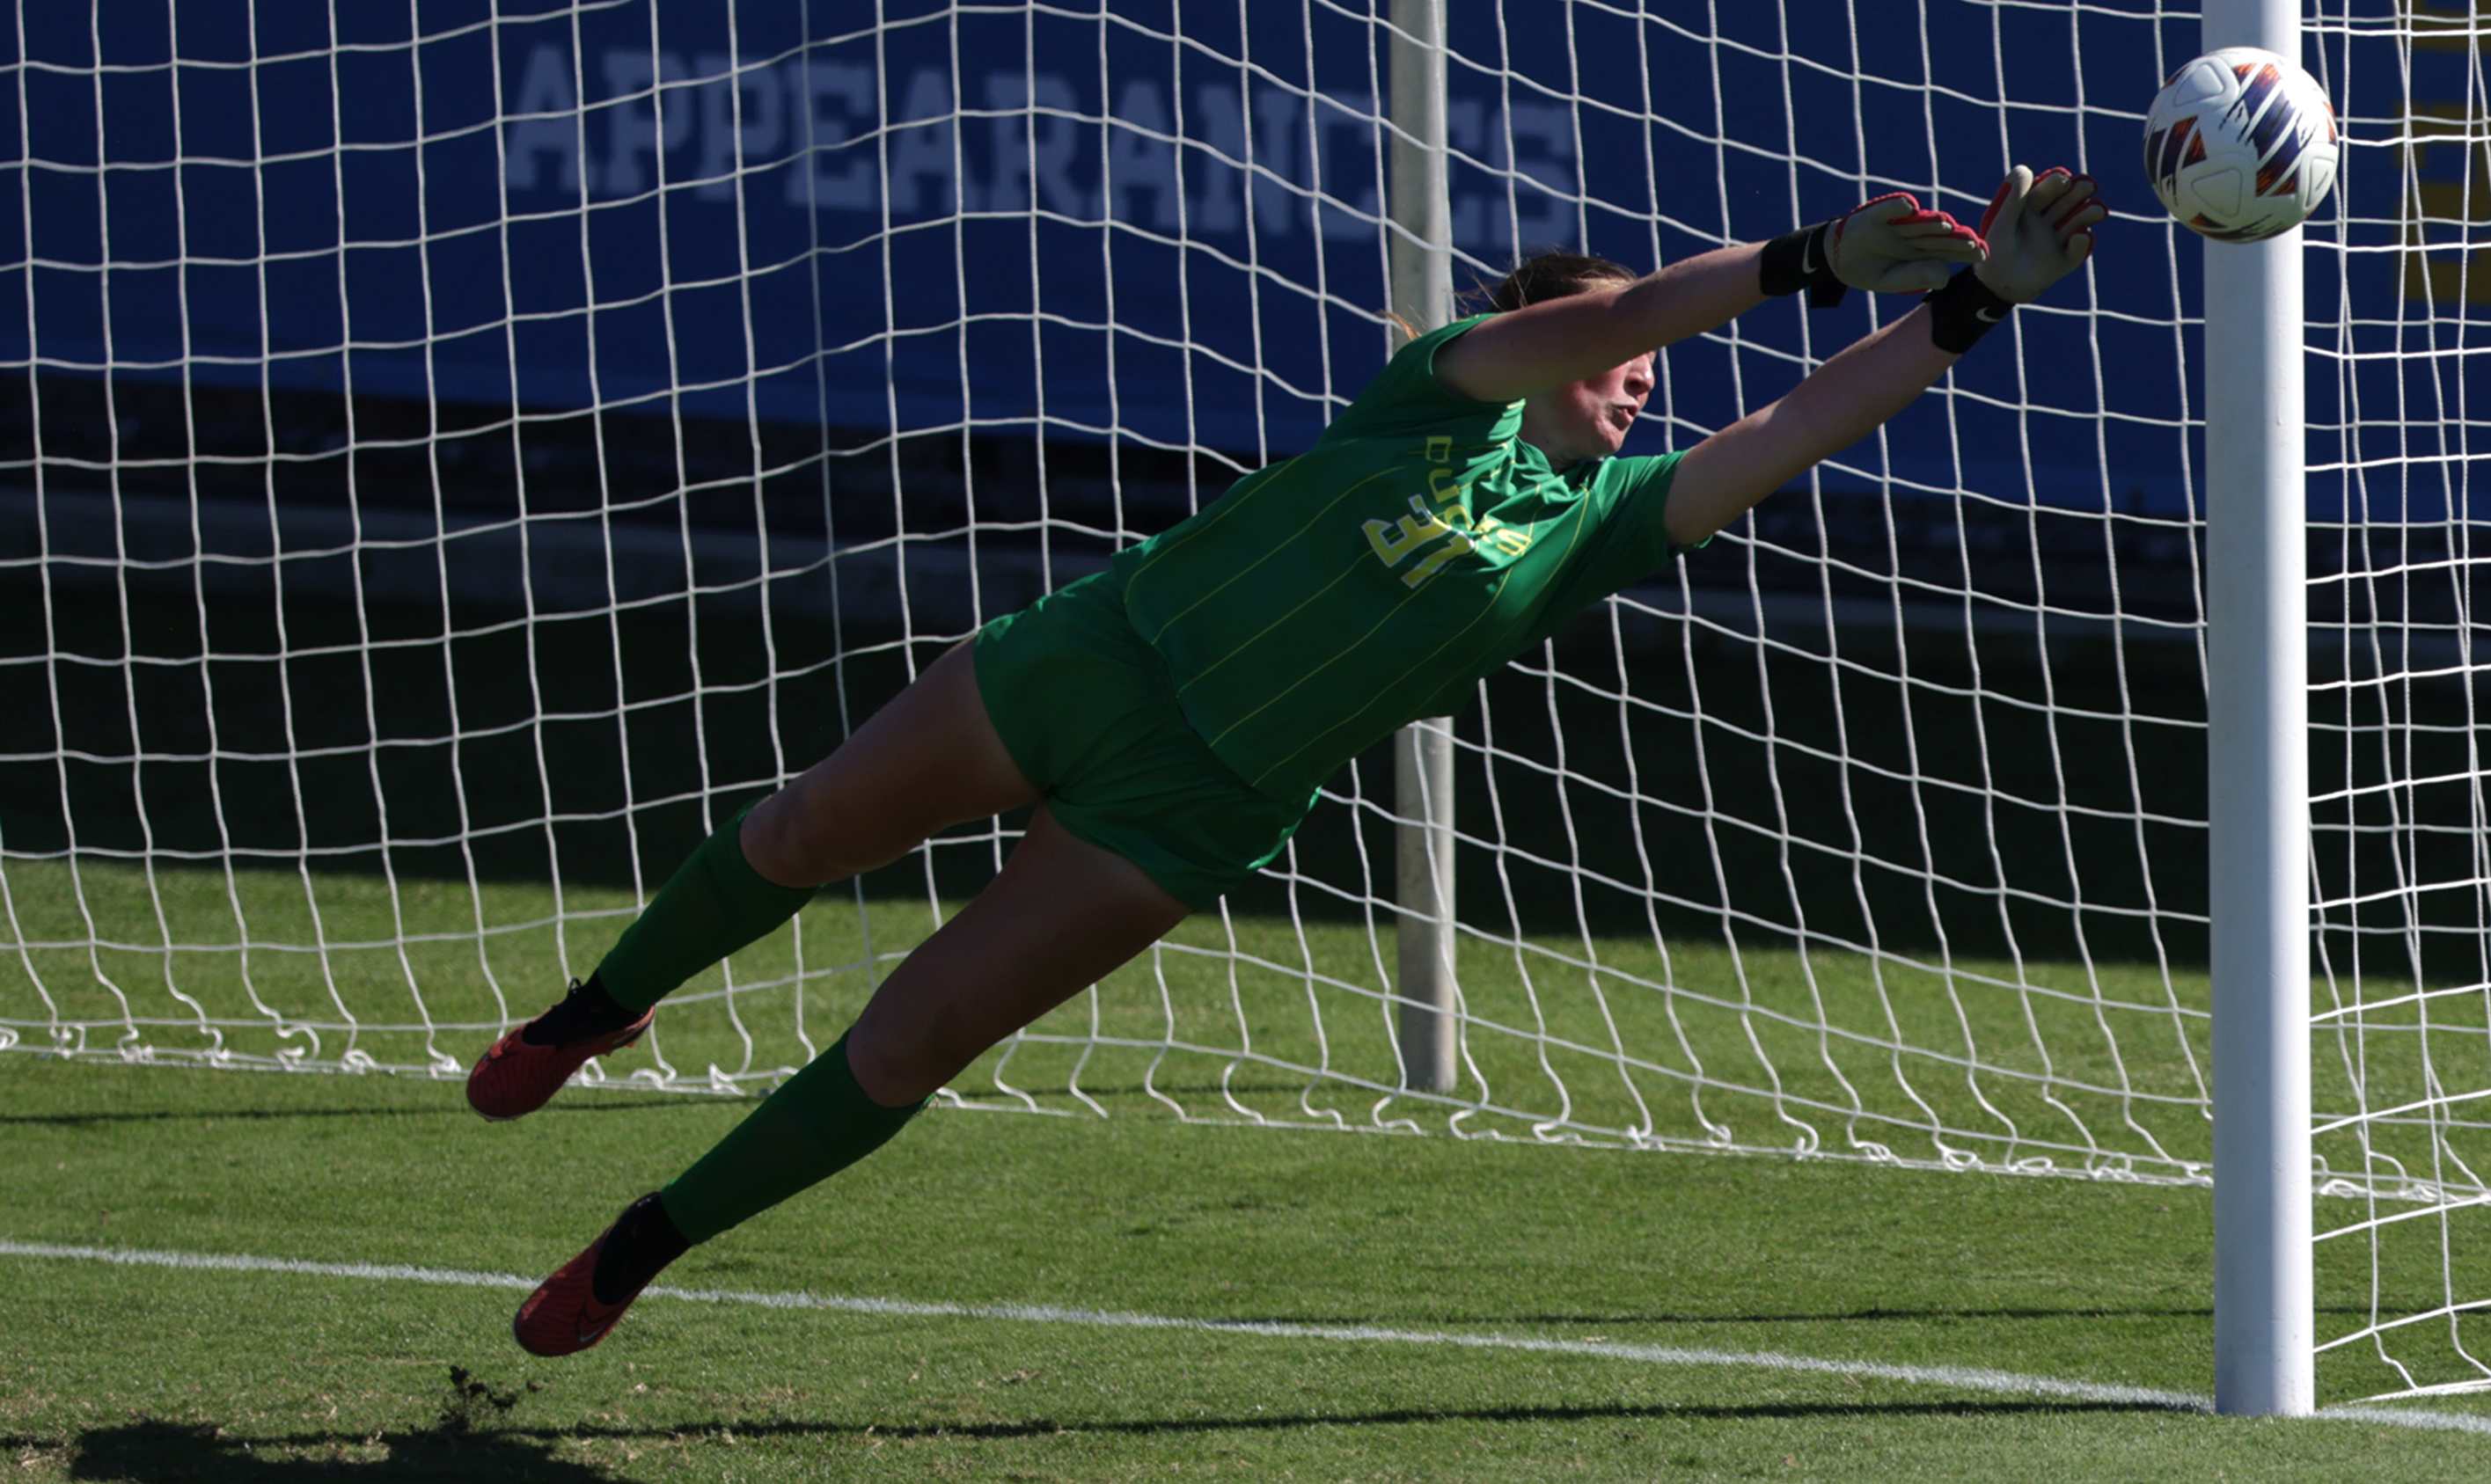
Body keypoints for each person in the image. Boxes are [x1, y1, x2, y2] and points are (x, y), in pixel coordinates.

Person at [473, 165, 2106, 1357]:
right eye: (1621, 356)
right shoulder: (1439, 393)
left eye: (1650, 376)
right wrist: (1809, 257)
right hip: (1099, 659)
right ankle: (593, 1009)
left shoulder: (1604, 521)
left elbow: (1793, 429)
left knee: (907, 1046)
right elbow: (1625, 309)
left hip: (1198, 802)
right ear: (1530, 333)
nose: (1645, 377)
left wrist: (1976, 302)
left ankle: (638, 1247)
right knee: (802, 832)